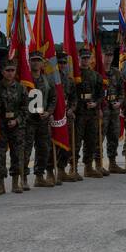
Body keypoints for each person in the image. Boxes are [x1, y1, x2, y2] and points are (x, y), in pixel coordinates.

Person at [0, 59, 29, 193]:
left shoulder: (21, 88)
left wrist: (17, 120)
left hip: (16, 127)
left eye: (12, 70)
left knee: (17, 155)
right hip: (1, 126)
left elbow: (25, 108)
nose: (10, 73)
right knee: (0, 155)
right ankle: (1, 185)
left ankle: (15, 183)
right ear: (2, 72)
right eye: (7, 70)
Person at [27, 52, 57, 187]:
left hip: (43, 120)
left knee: (43, 148)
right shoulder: (25, 79)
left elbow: (53, 98)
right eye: (33, 60)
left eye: (38, 60)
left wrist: (49, 112)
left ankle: (39, 176)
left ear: (42, 63)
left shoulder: (47, 80)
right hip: (28, 121)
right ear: (29, 62)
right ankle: (22, 178)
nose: (35, 63)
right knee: (25, 150)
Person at [75, 48, 105, 178]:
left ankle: (88, 167)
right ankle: (73, 168)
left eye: (87, 58)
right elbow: (71, 94)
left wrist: (96, 104)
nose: (85, 60)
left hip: (91, 113)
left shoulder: (96, 75)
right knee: (76, 141)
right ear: (79, 58)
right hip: (79, 113)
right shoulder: (75, 75)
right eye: (83, 58)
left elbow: (100, 94)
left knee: (91, 141)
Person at [54, 50, 81, 183]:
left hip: (67, 116)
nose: (62, 65)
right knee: (53, 144)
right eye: (60, 62)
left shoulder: (69, 80)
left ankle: (62, 170)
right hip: (54, 116)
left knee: (67, 143)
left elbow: (73, 98)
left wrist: (72, 109)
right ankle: (50, 173)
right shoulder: (51, 78)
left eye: (64, 62)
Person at [102, 51, 125, 174]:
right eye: (106, 55)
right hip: (102, 110)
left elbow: (122, 90)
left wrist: (120, 102)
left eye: (111, 55)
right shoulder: (98, 71)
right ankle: (98, 164)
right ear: (101, 55)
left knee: (114, 136)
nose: (108, 58)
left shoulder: (117, 73)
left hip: (114, 110)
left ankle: (112, 163)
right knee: (99, 138)